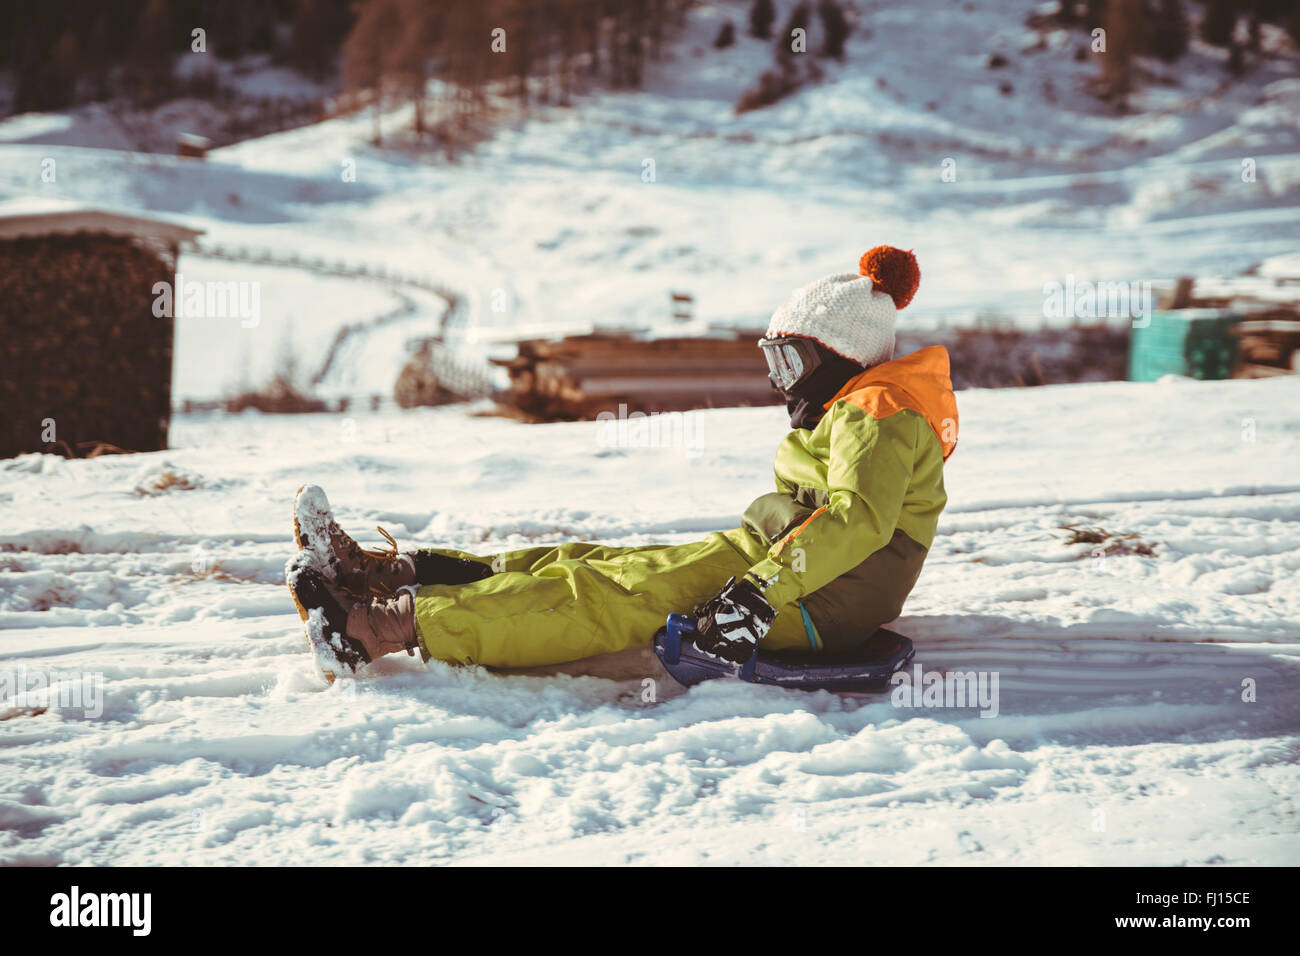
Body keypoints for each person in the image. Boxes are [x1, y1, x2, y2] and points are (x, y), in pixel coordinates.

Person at [285, 246, 958, 681]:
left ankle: (371, 630)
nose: (779, 381)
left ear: (837, 356)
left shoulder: (879, 413)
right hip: (782, 566)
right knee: (589, 561)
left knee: (608, 597)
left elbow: (855, 522)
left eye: (789, 361)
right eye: (770, 360)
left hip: (814, 600)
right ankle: (387, 575)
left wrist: (758, 595)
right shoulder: (861, 405)